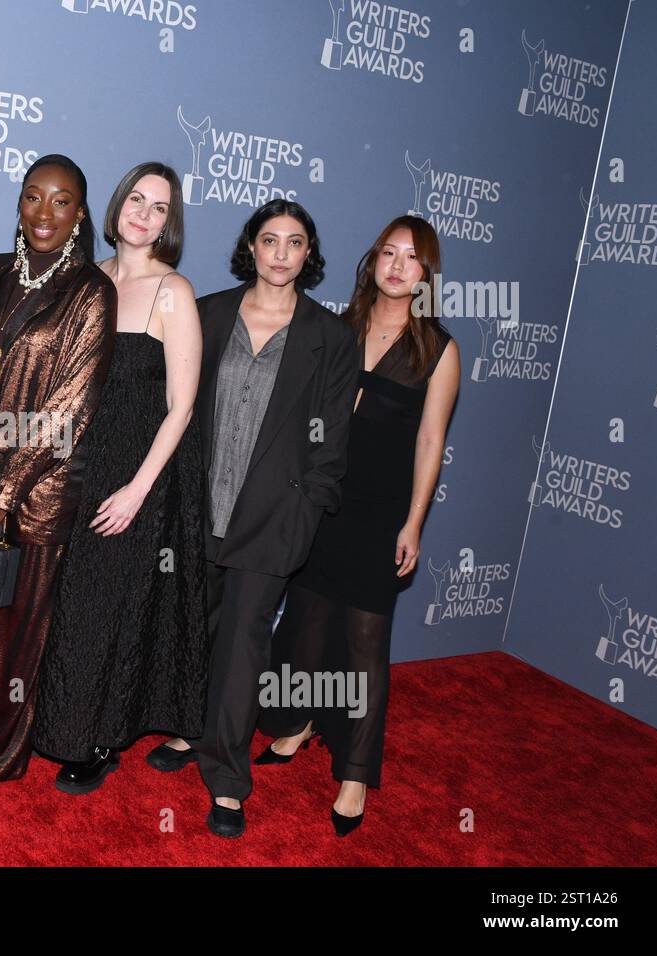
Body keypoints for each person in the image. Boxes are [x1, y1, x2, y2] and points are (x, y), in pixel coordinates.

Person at [144, 199, 358, 839]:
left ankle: (229, 778)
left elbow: (331, 442)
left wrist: (307, 508)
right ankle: (191, 730)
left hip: (272, 517)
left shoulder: (330, 336)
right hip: (199, 505)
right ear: (252, 248)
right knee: (194, 632)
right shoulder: (208, 313)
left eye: (295, 242)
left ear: (309, 254)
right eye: (271, 240)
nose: (282, 253)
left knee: (242, 646)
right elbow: (174, 404)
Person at [256, 215, 459, 837]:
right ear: (372, 261)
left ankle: (355, 772)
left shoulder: (439, 351)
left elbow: (431, 442)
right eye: (388, 253)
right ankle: (296, 724)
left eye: (412, 257)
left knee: (367, 645)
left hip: (380, 514)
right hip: (323, 502)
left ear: (427, 273)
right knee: (307, 625)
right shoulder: (337, 329)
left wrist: (414, 524)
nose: (398, 265)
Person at [0, 154, 116, 782]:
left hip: (41, 490)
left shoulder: (92, 292)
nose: (44, 212)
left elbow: (71, 405)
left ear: (80, 213)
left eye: (61, 200)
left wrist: (7, 486)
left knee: (17, 628)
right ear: (18, 203)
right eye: (33, 196)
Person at [33, 162, 207, 795]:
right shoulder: (86, 279)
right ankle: (57, 720)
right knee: (69, 600)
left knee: (109, 608)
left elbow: (182, 406)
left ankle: (98, 740)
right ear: (115, 207)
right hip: (78, 465)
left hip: (138, 473)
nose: (145, 213)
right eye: (137, 199)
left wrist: (138, 490)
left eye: (160, 207)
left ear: (169, 223)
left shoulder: (174, 292)